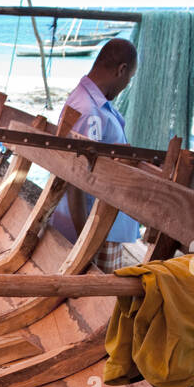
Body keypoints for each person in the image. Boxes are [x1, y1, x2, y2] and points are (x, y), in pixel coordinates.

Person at [50, 38, 142, 270]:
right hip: (97, 227)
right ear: (121, 70)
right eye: (128, 79)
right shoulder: (88, 111)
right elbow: (77, 180)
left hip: (99, 226)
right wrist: (85, 239)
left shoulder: (86, 100)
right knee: (100, 301)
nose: (125, 86)